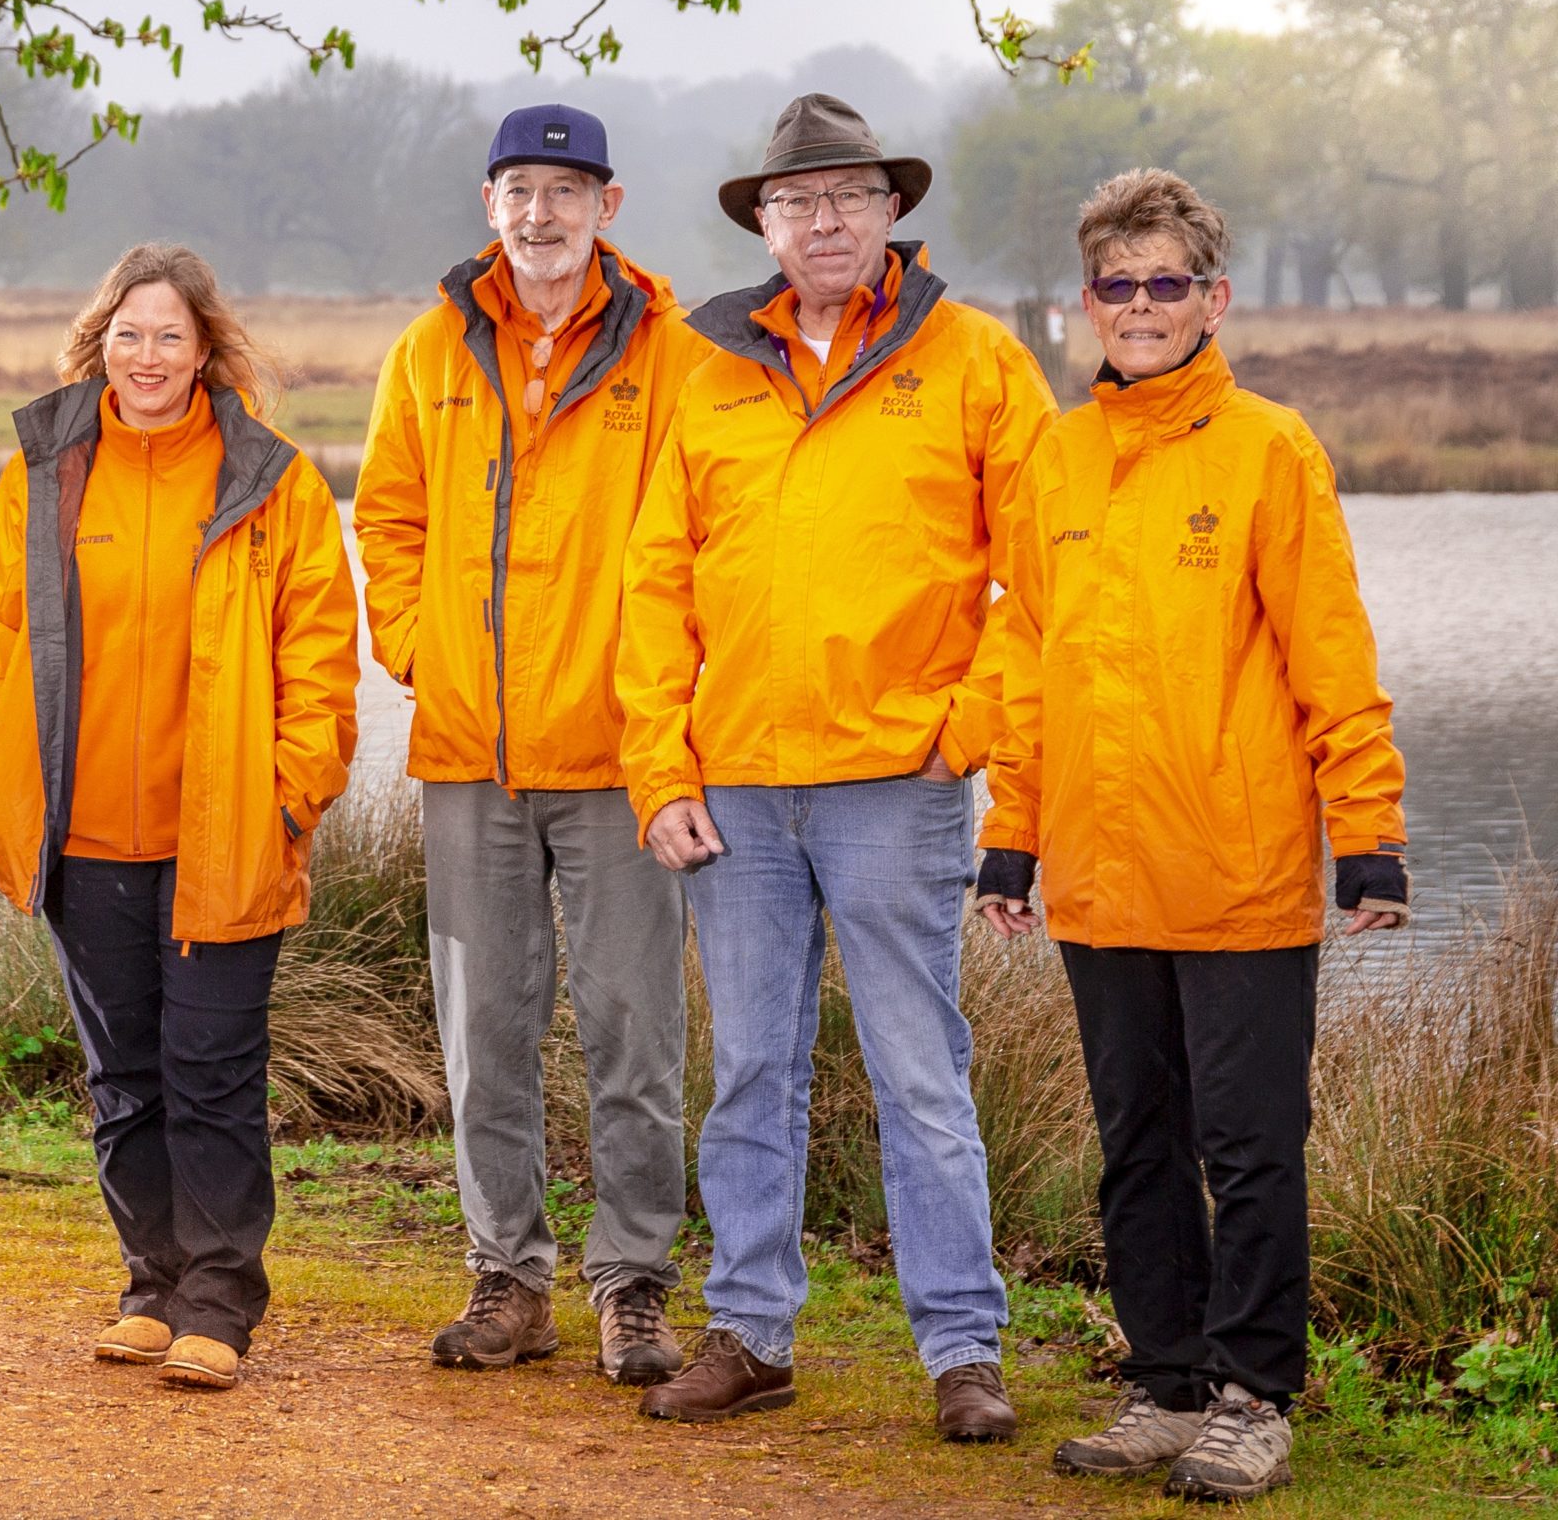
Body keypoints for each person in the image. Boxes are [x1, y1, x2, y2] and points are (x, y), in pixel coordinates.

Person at [617, 92, 1055, 1439]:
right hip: (738, 786)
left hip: (895, 785)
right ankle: (750, 1333)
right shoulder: (707, 372)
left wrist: (966, 728)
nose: (823, 220)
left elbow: (1044, 575)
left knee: (921, 1072)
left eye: (849, 197)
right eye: (797, 201)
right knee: (753, 1070)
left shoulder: (975, 361)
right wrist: (660, 770)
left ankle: (963, 1351)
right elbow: (654, 583)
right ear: (764, 222)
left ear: (891, 211)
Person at [976, 169, 1408, 1502]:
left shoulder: (1270, 449)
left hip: (1239, 868)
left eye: (1166, 283)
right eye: (1119, 285)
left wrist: (1369, 833)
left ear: (1212, 299)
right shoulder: (1055, 457)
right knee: (1137, 1141)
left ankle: (1253, 1394)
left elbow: (1332, 654)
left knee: (1250, 1144)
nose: (1142, 305)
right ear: (1085, 304)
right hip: (1099, 874)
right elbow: (1026, 659)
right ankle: (1166, 1385)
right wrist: (1012, 834)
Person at [354, 103, 704, 1387]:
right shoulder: (428, 350)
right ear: (488, 203)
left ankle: (633, 1283)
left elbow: (707, 528)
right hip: (470, 753)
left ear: (608, 205)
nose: (540, 213)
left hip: (620, 759)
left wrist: (669, 702)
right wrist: (422, 647)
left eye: (566, 190)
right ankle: (507, 1274)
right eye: (519, 189)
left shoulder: (675, 352)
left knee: (633, 1033)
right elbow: (386, 518)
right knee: (482, 1037)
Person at [0, 243, 360, 1392]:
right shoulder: (44, 473)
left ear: (205, 350)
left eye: (169, 337)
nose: (146, 356)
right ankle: (152, 1280)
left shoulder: (272, 479)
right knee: (124, 1077)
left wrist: (290, 793)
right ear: (101, 342)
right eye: (128, 335)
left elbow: (319, 658)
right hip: (84, 836)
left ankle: (221, 1295)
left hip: (226, 834)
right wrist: (6, 778)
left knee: (212, 1071)